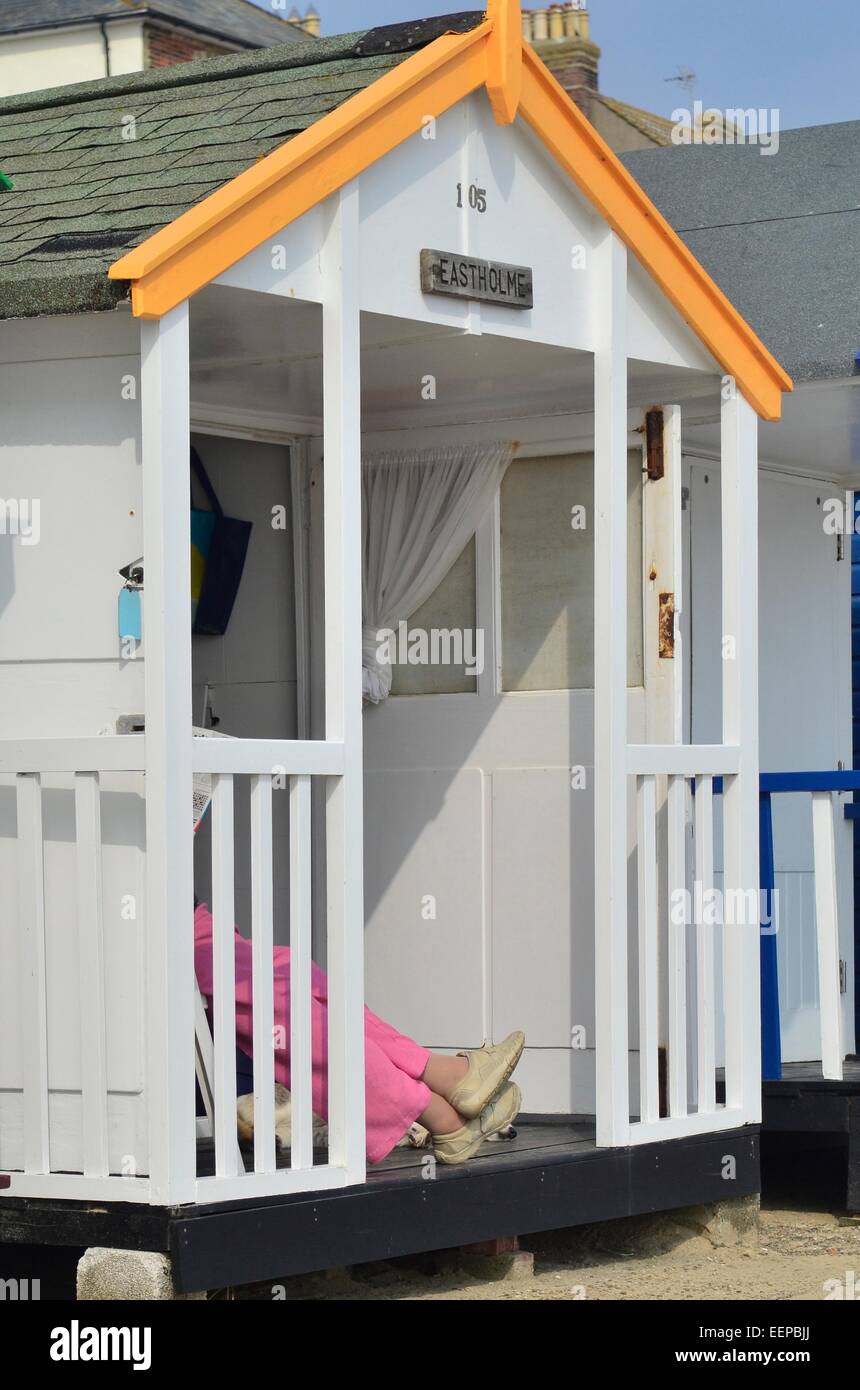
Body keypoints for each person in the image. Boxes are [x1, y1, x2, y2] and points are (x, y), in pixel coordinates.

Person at [194, 902, 524, 1165]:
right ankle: (445, 1118)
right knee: (280, 999)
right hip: (157, 929)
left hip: (188, 918)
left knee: (300, 972)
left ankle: (443, 1075)